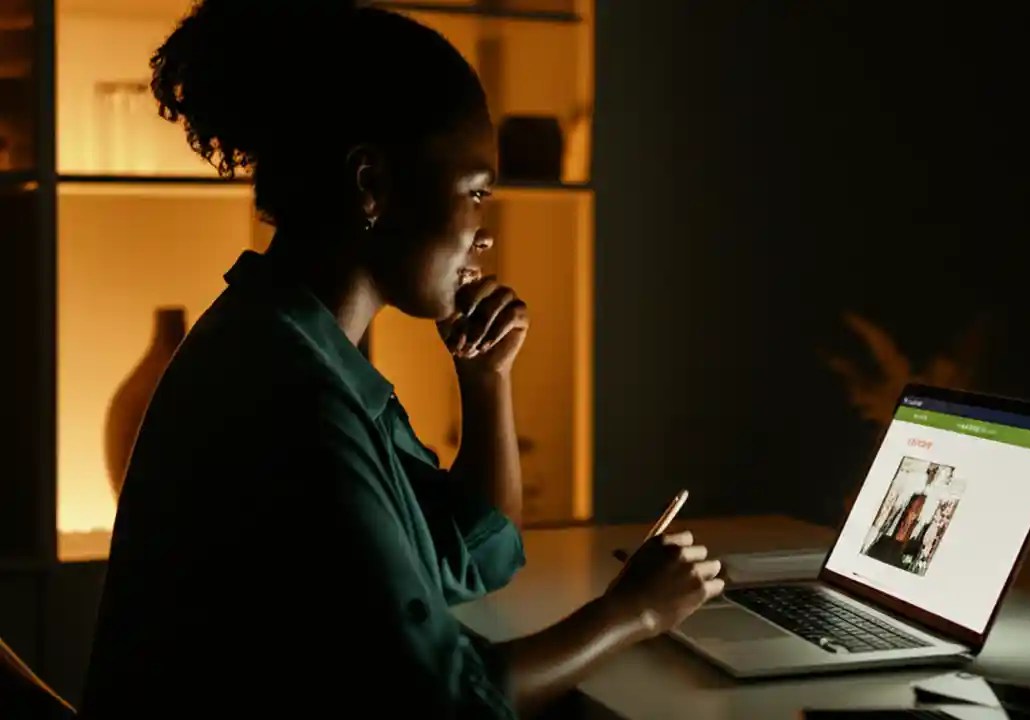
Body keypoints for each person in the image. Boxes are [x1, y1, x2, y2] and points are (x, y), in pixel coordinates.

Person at [79, 2, 724, 717]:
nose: (484, 233)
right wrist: (632, 614)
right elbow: (447, 703)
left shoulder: (296, 348)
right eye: (476, 193)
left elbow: (473, 556)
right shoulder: (295, 400)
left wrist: (486, 382)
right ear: (371, 184)